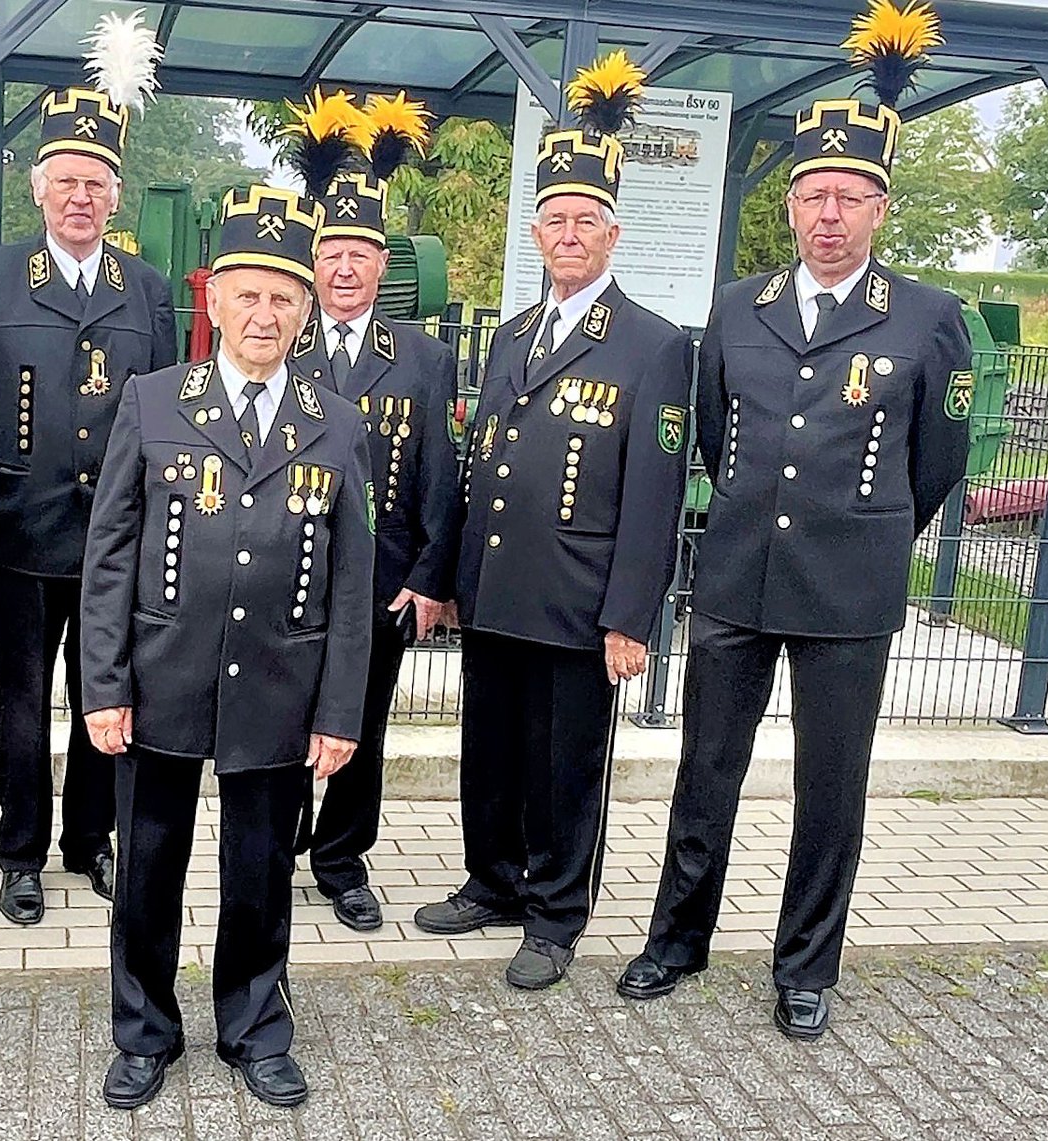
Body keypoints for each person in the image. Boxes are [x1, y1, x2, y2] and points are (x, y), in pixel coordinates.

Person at [619, 1, 973, 1039]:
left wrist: (861, 527)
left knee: (828, 789)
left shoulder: (925, 316)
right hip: (736, 572)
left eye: (848, 197)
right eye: (811, 194)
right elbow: (718, 437)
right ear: (788, 206)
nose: (827, 213)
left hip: (847, 585)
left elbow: (935, 462)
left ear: (878, 209)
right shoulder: (738, 305)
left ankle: (803, 965)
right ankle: (675, 940)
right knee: (705, 771)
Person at [80, 94, 375, 1111]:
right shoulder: (154, 401)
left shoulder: (335, 425)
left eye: (283, 300)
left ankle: (253, 1023)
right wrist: (102, 684)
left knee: (258, 869)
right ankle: (143, 1028)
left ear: (302, 312)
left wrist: (340, 710)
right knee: (148, 865)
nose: (264, 316)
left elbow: (351, 577)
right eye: (247, 295)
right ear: (215, 300)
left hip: (281, 682)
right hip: (160, 673)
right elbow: (109, 551)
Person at [416, 54, 693, 993]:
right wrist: (450, 577)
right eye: (556, 221)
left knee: (565, 766)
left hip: (579, 601)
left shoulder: (653, 345)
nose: (569, 235)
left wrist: (631, 616)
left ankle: (556, 910)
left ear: (613, 235)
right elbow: (476, 463)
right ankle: (491, 878)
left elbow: (654, 494)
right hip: (495, 588)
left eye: (587, 222)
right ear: (535, 232)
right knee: (489, 748)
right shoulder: (509, 335)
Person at [0, 11, 177, 924]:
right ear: (39, 190)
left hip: (117, 536)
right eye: (67, 181)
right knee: (18, 702)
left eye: (97, 183)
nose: (81, 197)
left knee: (104, 693)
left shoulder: (146, 290)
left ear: (115, 197)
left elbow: (166, 415)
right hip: (16, 530)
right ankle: (20, 851)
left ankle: (90, 839)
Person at [284, 91, 458, 933]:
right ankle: (275, 839)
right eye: (332, 255)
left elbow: (440, 477)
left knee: (363, 721)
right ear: (312, 266)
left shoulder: (424, 359)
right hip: (284, 577)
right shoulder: (279, 342)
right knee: (282, 713)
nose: (345, 270)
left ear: (383, 266)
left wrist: (429, 579)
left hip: (382, 586)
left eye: (360, 254)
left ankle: (341, 858)